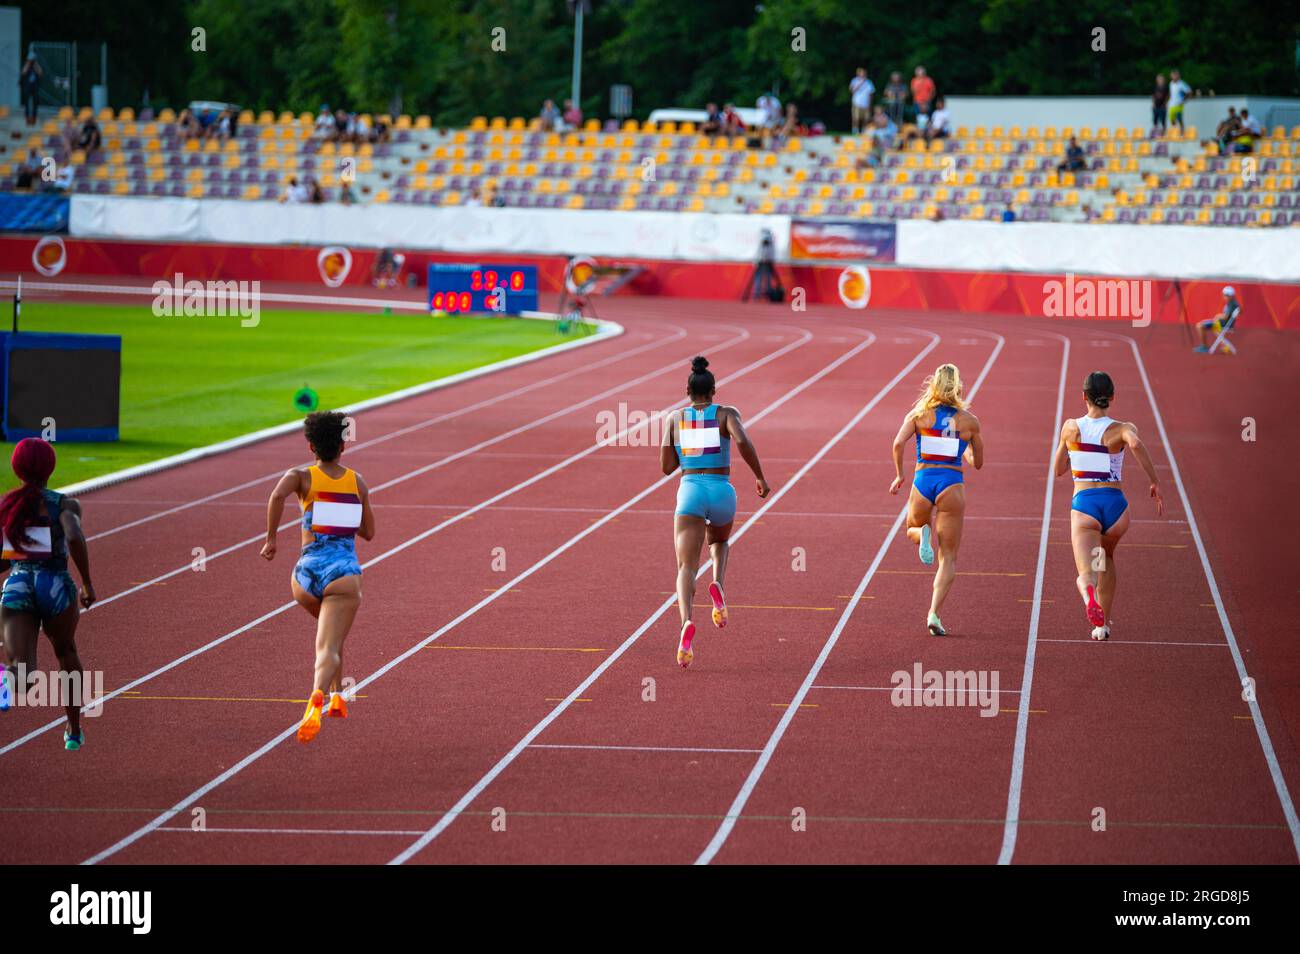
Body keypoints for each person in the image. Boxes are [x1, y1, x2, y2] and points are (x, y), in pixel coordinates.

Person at [261, 412, 375, 743]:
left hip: (305, 575)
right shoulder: (357, 482)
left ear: (310, 445)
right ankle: (316, 698)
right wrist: (348, 516)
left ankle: (338, 696)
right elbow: (369, 533)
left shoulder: (300, 477)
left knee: (330, 640)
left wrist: (271, 539)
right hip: (343, 574)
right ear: (343, 445)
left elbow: (277, 496)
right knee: (328, 647)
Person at [659, 357, 770, 669]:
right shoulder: (726, 414)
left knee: (685, 567)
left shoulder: (674, 419)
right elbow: (744, 441)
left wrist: (681, 447)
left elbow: (666, 468)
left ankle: (686, 623)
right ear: (714, 390)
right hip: (722, 489)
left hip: (690, 490)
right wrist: (759, 477)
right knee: (718, 543)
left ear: (688, 391)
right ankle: (718, 583)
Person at [1053, 372, 1163, 640]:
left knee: (1086, 572)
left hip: (1085, 507)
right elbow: (1135, 443)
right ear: (1112, 397)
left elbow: (1058, 470)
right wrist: (1154, 481)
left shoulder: (1070, 427)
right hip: (1116, 509)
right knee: (1106, 557)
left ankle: (1089, 594)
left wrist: (1073, 454)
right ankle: (1102, 625)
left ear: (1083, 397)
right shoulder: (1123, 428)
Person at [0, 439, 96, 748]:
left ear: (16, 468)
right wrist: (87, 582)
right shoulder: (63, 504)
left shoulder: (7, 506)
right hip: (54, 585)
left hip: (17, 585)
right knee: (66, 652)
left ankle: (6, 679)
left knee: (24, 675)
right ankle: (74, 729)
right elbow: (74, 535)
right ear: (50, 467)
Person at [889, 364, 984, 636]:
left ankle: (922, 535)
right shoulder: (969, 421)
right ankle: (934, 613)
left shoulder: (919, 414)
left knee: (911, 528)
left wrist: (899, 475)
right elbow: (977, 462)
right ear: (958, 387)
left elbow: (897, 444)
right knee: (948, 557)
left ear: (933, 385)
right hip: (951, 484)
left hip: (923, 481)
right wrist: (963, 451)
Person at [1195, 286, 1241, 353]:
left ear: (1231, 296)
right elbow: (1240, 310)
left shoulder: (1231, 304)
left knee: (1199, 326)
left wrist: (1218, 316)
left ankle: (1204, 346)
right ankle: (1225, 346)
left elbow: (1225, 317)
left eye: (1226, 295)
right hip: (1223, 324)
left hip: (1221, 324)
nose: (1224, 296)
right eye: (1224, 295)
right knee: (1201, 324)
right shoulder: (1234, 303)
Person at [850, 67, 875, 134]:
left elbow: (871, 93)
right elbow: (852, 91)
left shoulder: (869, 82)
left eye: (864, 73)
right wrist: (861, 82)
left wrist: (870, 104)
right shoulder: (854, 81)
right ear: (858, 73)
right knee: (856, 118)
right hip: (857, 102)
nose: (863, 74)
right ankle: (855, 131)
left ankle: (864, 131)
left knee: (866, 118)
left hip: (866, 103)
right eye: (861, 73)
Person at [20, 53, 42, 126]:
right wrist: (28, 63)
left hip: (35, 87)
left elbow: (40, 73)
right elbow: (23, 72)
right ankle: (27, 118)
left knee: (35, 102)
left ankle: (33, 118)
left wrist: (35, 64)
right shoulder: (26, 65)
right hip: (27, 86)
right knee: (27, 103)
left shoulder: (36, 65)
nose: (31, 61)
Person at [1168, 70, 1191, 134]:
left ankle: (1182, 132)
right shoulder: (1171, 83)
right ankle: (1174, 132)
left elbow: (1189, 92)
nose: (1173, 77)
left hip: (1179, 105)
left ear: (1178, 76)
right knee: (1172, 119)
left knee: (1179, 119)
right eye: (1172, 75)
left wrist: (1184, 100)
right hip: (1171, 105)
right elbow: (1171, 94)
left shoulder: (1182, 84)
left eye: (1175, 75)